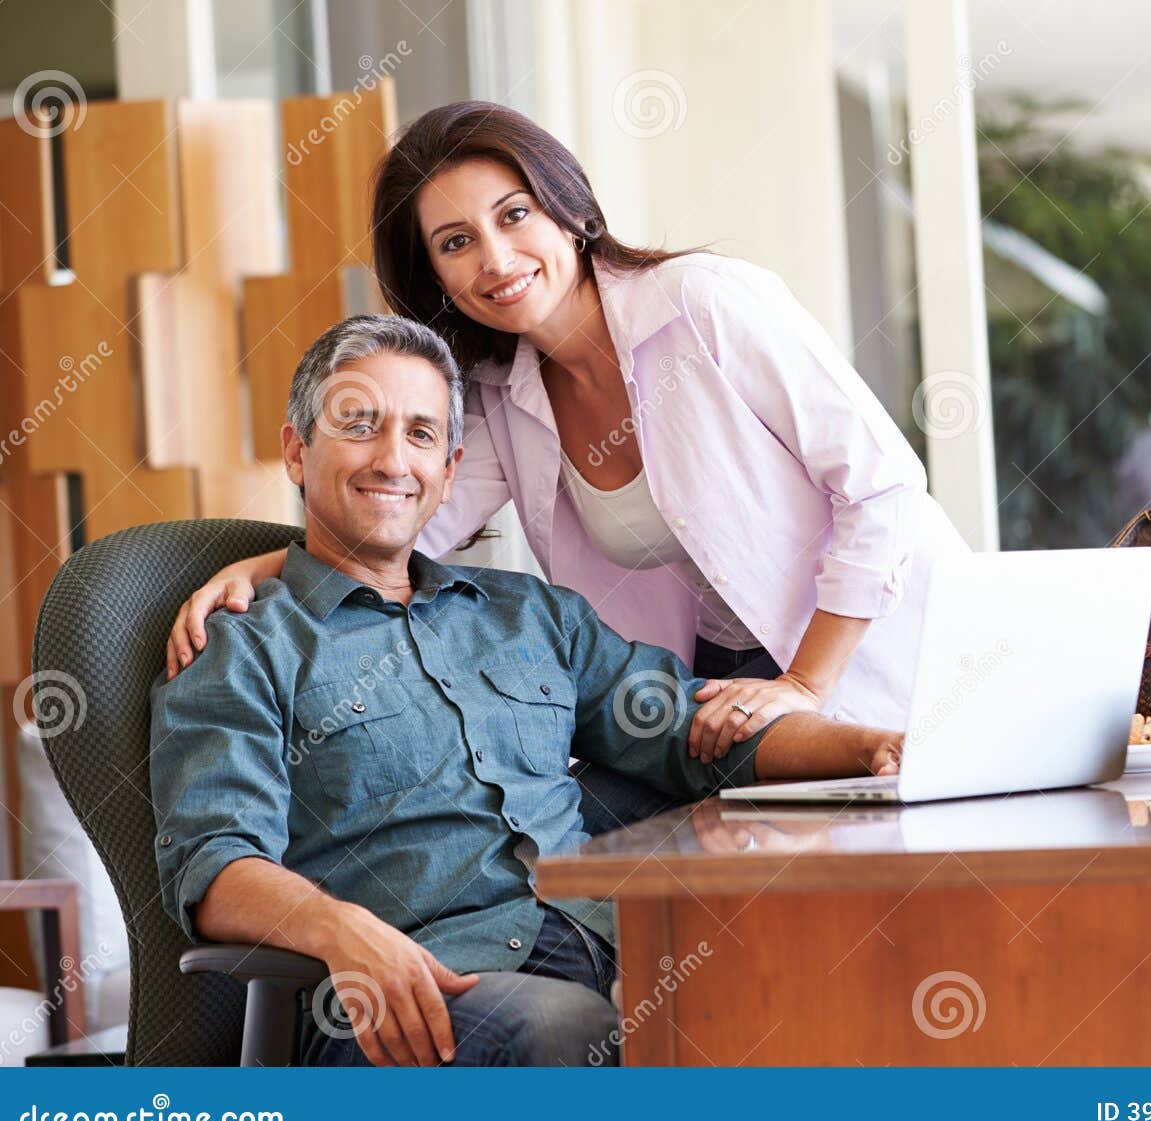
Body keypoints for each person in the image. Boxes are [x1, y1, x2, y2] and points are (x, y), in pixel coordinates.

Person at [148, 315, 903, 1067]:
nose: (391, 457)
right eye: (359, 424)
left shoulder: (530, 615)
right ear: (296, 451)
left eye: (420, 434)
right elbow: (213, 864)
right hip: (408, 997)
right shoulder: (242, 648)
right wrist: (338, 927)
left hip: (609, 953)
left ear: (449, 470)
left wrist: (877, 748)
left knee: (819, 979)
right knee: (564, 1028)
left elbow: (703, 730)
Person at [165, 100, 968, 783]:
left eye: (514, 215)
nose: (496, 258)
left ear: (570, 211)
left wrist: (804, 681)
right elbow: (397, 522)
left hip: (871, 651)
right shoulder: (496, 396)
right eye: (455, 242)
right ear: (436, 279)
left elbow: (882, 486)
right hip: (715, 685)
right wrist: (258, 566)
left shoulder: (703, 304)